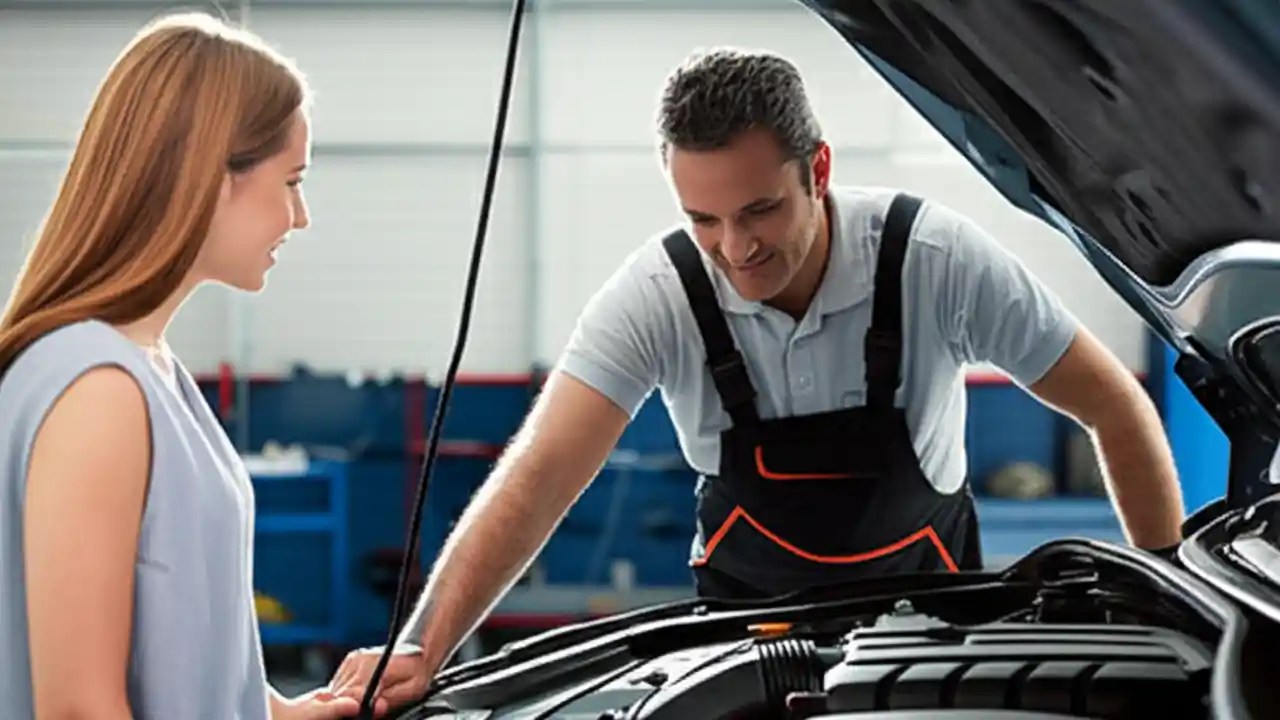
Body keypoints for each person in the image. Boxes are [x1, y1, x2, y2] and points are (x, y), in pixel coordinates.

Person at [328, 47, 1184, 708]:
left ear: (818, 170)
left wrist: (1168, 611)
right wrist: (421, 646)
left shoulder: (934, 259)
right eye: (703, 218)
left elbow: (1115, 408)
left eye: (760, 210)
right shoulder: (657, 293)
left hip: (931, 637)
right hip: (743, 644)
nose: (736, 250)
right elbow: (538, 475)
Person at [0, 12, 368, 720]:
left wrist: (277, 714)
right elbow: (79, 709)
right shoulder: (95, 388)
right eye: (292, 181)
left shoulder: (147, 371)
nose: (300, 216)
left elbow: (170, 649)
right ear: (208, 176)